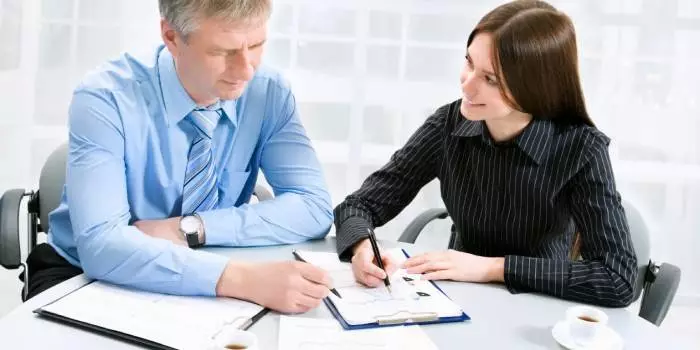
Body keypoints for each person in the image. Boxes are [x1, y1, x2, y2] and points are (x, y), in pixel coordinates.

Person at [25, 0, 335, 314]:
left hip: (211, 262)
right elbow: (102, 246)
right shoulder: (105, 97)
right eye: (222, 52)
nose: (246, 70)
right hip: (83, 273)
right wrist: (239, 278)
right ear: (172, 37)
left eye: (256, 45)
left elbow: (314, 207)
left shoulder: (267, 92)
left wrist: (193, 228)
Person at [334, 0, 638, 307]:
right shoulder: (447, 125)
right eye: (469, 62)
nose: (467, 85)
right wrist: (362, 248)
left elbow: (618, 279)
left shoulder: (582, 148)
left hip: (539, 305)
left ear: (534, 88)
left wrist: (493, 268)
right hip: (452, 299)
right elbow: (359, 205)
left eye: (490, 79)